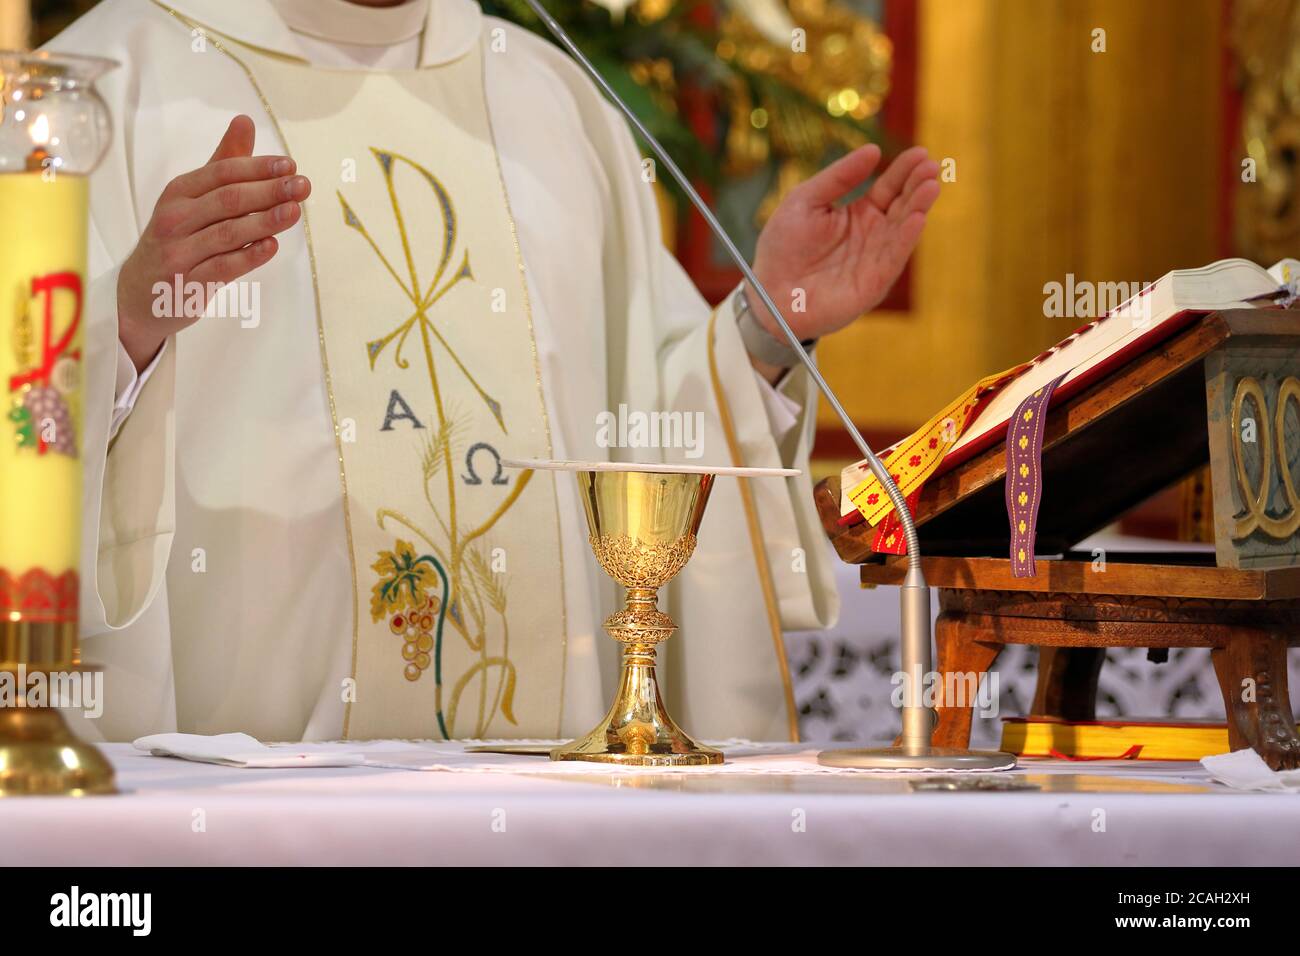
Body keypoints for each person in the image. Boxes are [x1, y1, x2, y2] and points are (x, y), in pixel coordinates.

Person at [46, 0, 941, 742]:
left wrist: (763, 329)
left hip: (540, 802)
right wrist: (124, 317)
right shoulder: (98, 87)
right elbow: (26, 404)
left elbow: (641, 416)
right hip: (242, 813)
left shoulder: (545, 95)